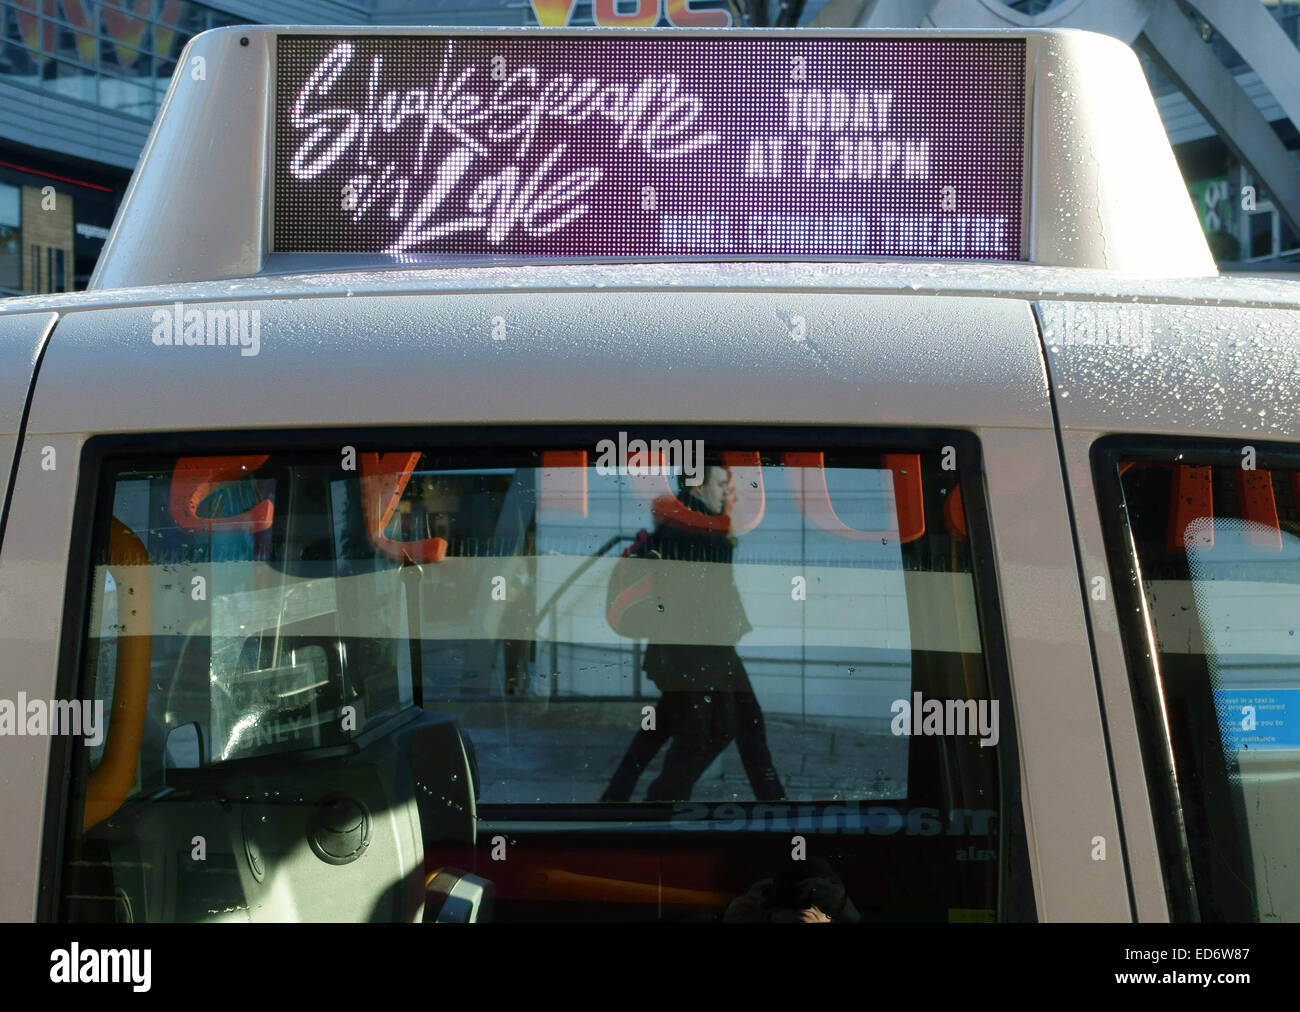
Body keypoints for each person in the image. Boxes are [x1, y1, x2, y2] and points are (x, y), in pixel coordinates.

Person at [601, 464, 784, 802]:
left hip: (699, 651)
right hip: (696, 653)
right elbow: (690, 603)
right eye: (720, 484)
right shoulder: (692, 529)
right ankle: (661, 801)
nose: (727, 492)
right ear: (698, 488)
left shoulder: (695, 525)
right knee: (710, 731)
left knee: (705, 725)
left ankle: (619, 794)